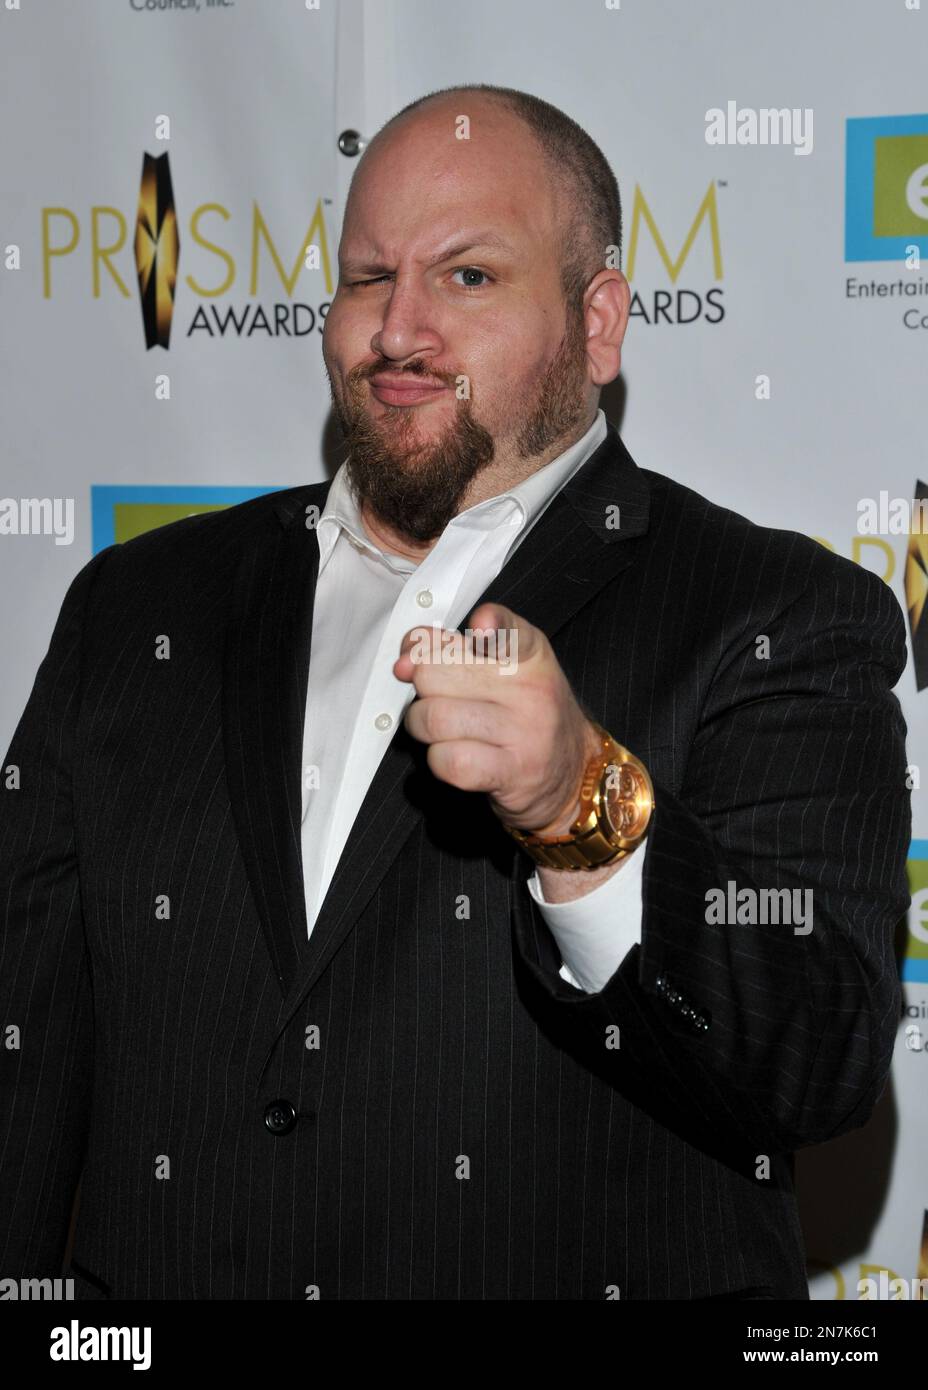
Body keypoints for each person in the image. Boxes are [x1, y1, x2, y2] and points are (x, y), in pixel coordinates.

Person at [0, 84, 910, 1300]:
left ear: (597, 324)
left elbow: (820, 1059)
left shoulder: (772, 615)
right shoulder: (138, 605)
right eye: (369, 277)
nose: (400, 328)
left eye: (469, 276)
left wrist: (588, 807)